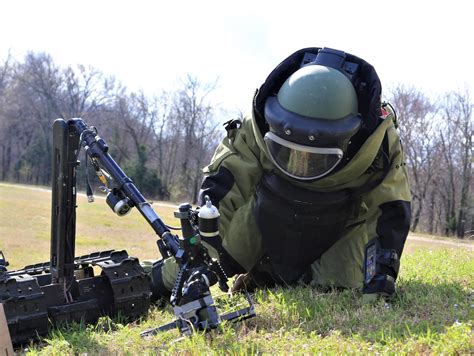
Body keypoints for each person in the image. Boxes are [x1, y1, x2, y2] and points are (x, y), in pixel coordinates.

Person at [147, 47, 411, 302]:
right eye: (288, 151)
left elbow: (390, 211)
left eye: (315, 158)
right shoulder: (257, 126)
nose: (301, 166)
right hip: (267, 214)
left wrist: (378, 283)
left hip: (340, 228)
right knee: (209, 263)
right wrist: (194, 260)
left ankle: (290, 275)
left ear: (348, 140)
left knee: (338, 286)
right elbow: (226, 188)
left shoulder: (379, 145)